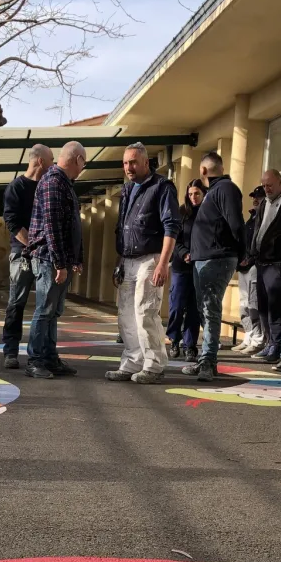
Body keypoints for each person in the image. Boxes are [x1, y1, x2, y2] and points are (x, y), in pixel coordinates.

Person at [106, 143, 180, 384]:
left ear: (146, 163)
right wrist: (119, 261)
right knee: (126, 314)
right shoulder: (127, 190)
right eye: (126, 162)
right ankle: (132, 362)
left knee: (145, 311)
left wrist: (163, 264)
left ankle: (154, 364)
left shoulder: (162, 187)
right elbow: (123, 229)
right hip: (128, 260)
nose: (129, 167)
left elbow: (171, 226)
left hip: (151, 258)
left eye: (134, 162)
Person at [23, 140, 87, 379]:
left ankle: (49, 358)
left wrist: (75, 259)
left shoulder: (63, 183)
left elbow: (72, 225)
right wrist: (61, 262)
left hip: (59, 260)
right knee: (45, 310)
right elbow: (52, 227)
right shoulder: (53, 182)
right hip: (50, 260)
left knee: (53, 311)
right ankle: (36, 360)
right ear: (78, 159)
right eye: (84, 162)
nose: (83, 168)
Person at [184, 151, 245, 382]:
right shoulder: (214, 192)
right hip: (205, 258)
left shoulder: (225, 188)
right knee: (205, 309)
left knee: (210, 310)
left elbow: (237, 224)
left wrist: (242, 253)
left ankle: (207, 362)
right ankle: (207, 360)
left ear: (203, 171)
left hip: (216, 258)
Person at [1, 144, 54, 368]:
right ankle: (10, 351)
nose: (54, 163)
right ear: (40, 161)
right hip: (21, 255)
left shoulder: (48, 187)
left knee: (46, 305)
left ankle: (44, 353)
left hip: (44, 257)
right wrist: (32, 245)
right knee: (16, 302)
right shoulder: (17, 187)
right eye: (51, 159)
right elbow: (12, 222)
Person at [249, 169, 281, 363]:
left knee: (276, 306)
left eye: (269, 184)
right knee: (263, 306)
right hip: (262, 262)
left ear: (280, 182)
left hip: (280, 263)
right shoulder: (264, 204)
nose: (266, 188)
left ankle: (277, 346)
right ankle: (270, 342)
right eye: (263, 185)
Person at [168, 179, 205, 362]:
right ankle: (174, 339)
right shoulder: (181, 213)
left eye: (197, 193)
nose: (193, 197)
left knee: (194, 309)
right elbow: (174, 239)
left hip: (200, 268)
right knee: (176, 306)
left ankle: (190, 345)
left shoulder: (209, 213)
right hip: (181, 266)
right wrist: (184, 254)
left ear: (203, 194)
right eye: (190, 194)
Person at [233, 189, 265, 354]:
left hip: (254, 266)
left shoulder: (265, 217)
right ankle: (249, 336)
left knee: (254, 305)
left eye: (259, 198)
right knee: (243, 306)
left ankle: (258, 339)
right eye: (254, 197)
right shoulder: (251, 218)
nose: (255, 200)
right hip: (244, 266)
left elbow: (259, 244)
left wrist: (251, 259)